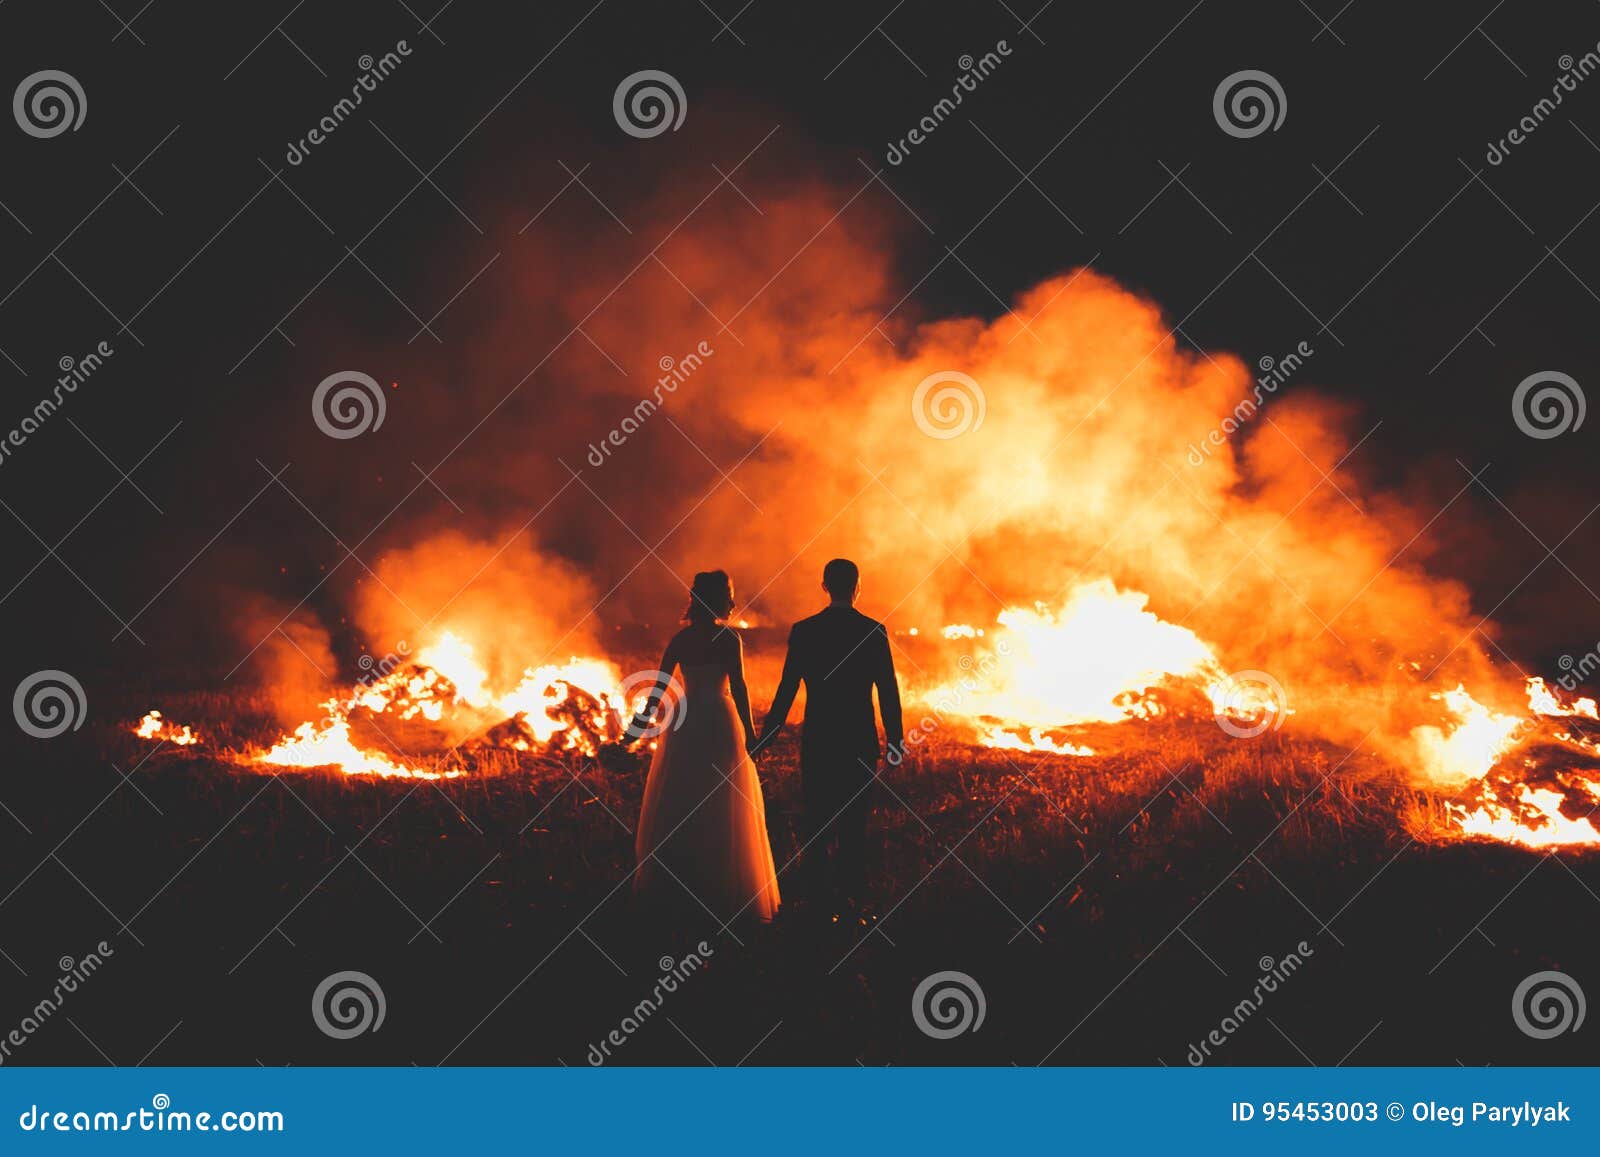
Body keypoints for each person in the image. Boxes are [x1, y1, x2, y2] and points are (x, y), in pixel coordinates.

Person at [629, 570, 781, 924]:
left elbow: (658, 688)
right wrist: (751, 733)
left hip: (686, 721)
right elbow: (739, 688)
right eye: (728, 593)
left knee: (682, 796)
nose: (731, 600)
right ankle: (723, 889)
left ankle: (679, 888)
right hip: (719, 719)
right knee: (722, 798)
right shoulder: (729, 640)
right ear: (719, 599)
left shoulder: (681, 640)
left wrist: (636, 730)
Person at [755, 558, 902, 905]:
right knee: (854, 827)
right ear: (857, 586)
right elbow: (888, 690)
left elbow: (787, 688)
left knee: (817, 822)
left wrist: (768, 735)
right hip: (858, 740)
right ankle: (851, 903)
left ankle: (817, 901)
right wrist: (895, 740)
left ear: (824, 586)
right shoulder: (873, 630)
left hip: (820, 739)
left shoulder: (805, 631)